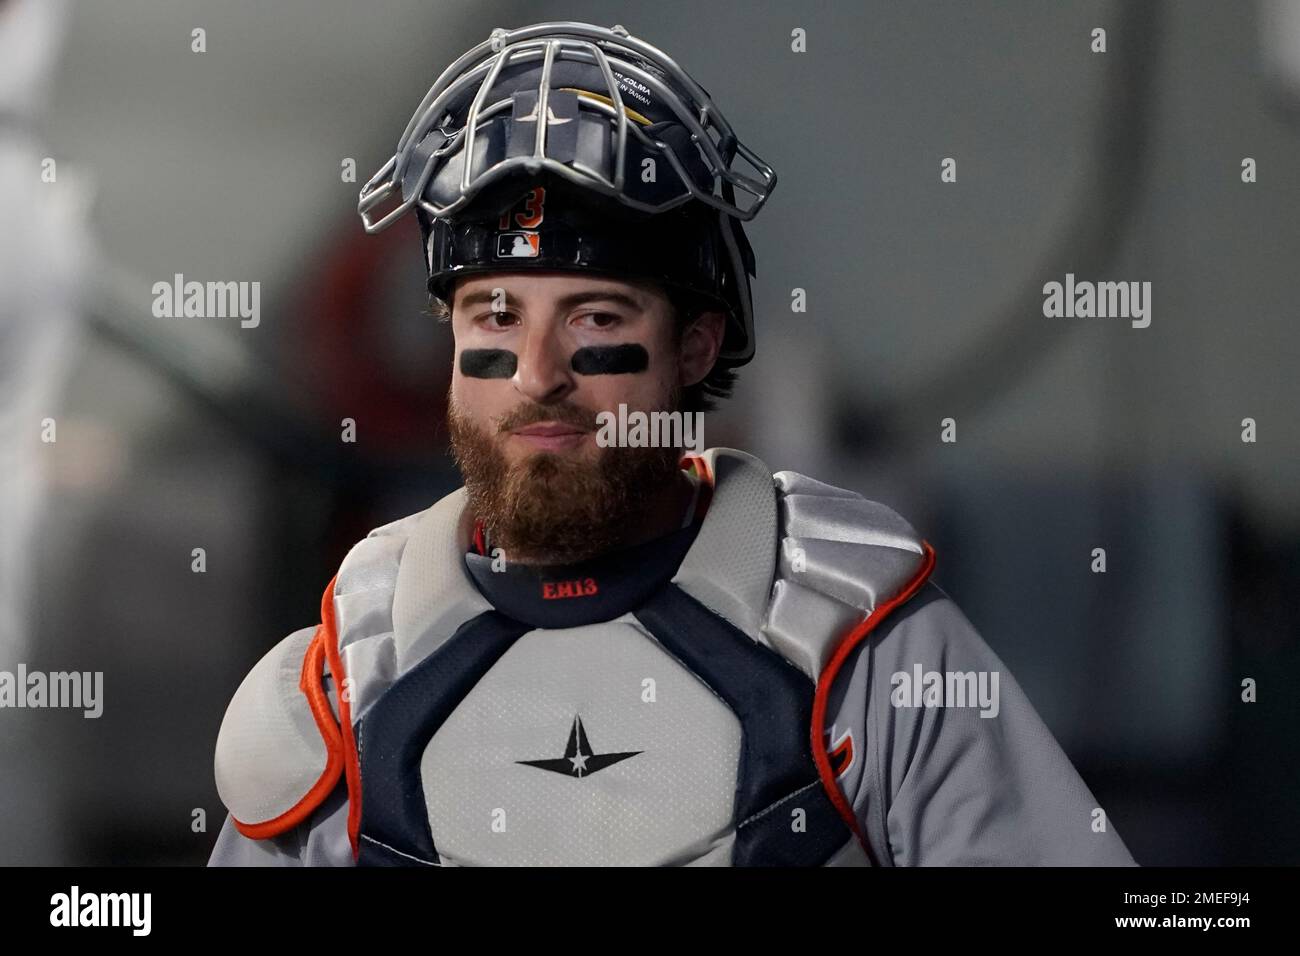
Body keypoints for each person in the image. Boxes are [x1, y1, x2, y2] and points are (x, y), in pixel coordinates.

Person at [207, 21, 1135, 867]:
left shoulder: (856, 645)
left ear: (695, 344)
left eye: (595, 315)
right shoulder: (354, 674)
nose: (538, 373)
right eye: (495, 313)